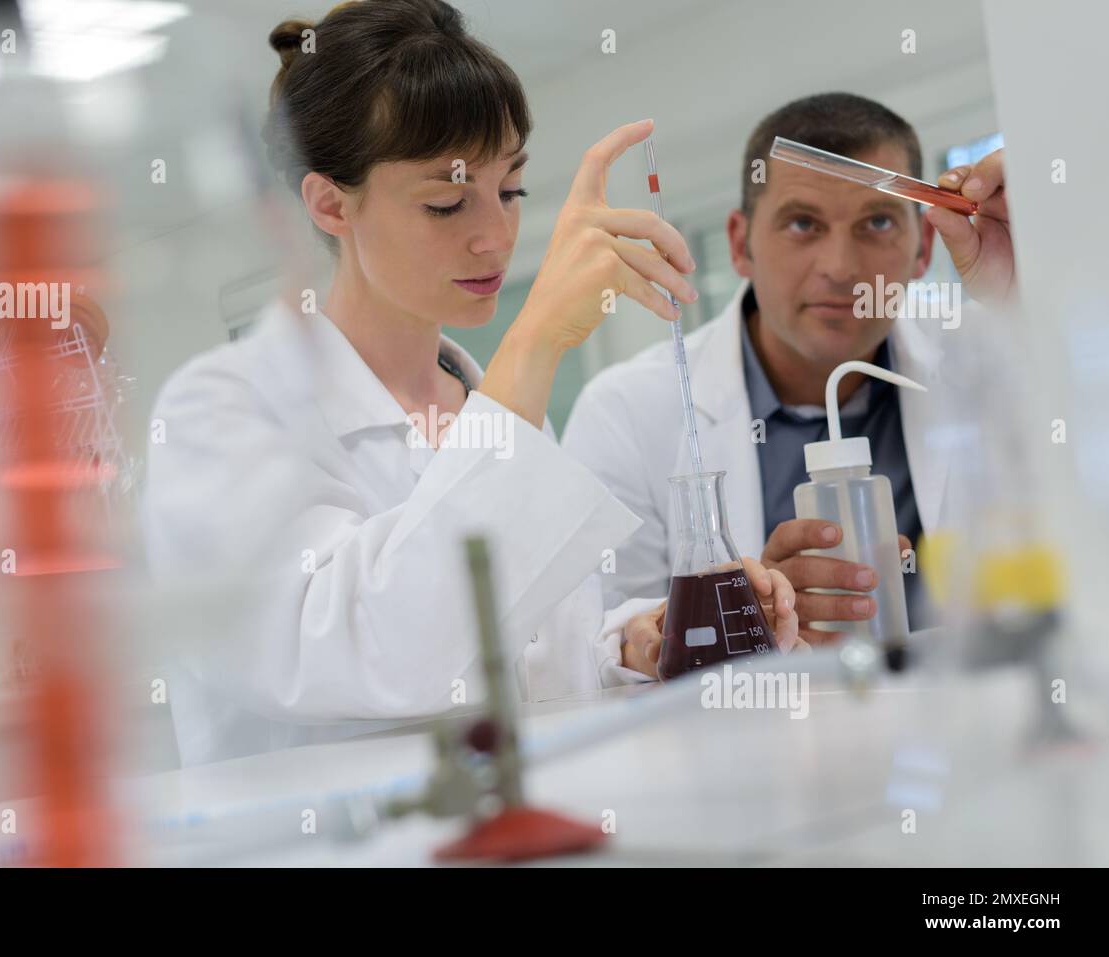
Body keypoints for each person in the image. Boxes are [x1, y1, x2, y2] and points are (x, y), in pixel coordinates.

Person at [142, 0, 800, 764]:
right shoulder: (222, 411)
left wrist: (636, 642)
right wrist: (536, 340)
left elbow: (513, 663)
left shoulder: (485, 407)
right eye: (446, 201)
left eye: (511, 189)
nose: (495, 234)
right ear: (329, 204)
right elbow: (383, 655)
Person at [563, 92, 1015, 646]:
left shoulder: (997, 352)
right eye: (802, 224)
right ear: (739, 244)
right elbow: (594, 654)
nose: (840, 268)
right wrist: (746, 623)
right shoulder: (625, 412)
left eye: (876, 221)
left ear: (923, 247)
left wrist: (1025, 285)